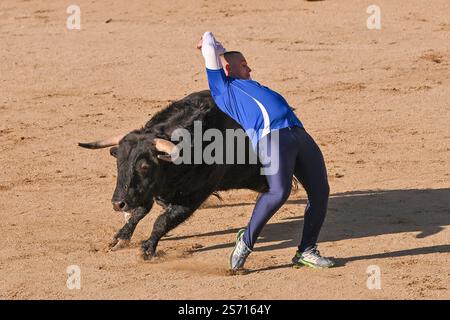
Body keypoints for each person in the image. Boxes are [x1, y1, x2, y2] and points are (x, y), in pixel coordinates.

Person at [197, 31, 334, 270]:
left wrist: (226, 56)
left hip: (298, 133)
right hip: (271, 139)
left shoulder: (252, 85)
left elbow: (227, 58)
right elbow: (208, 39)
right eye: (244, 65)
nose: (250, 70)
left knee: (321, 192)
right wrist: (218, 51)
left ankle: (307, 250)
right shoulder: (223, 89)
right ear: (228, 69)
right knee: (279, 192)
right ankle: (246, 242)